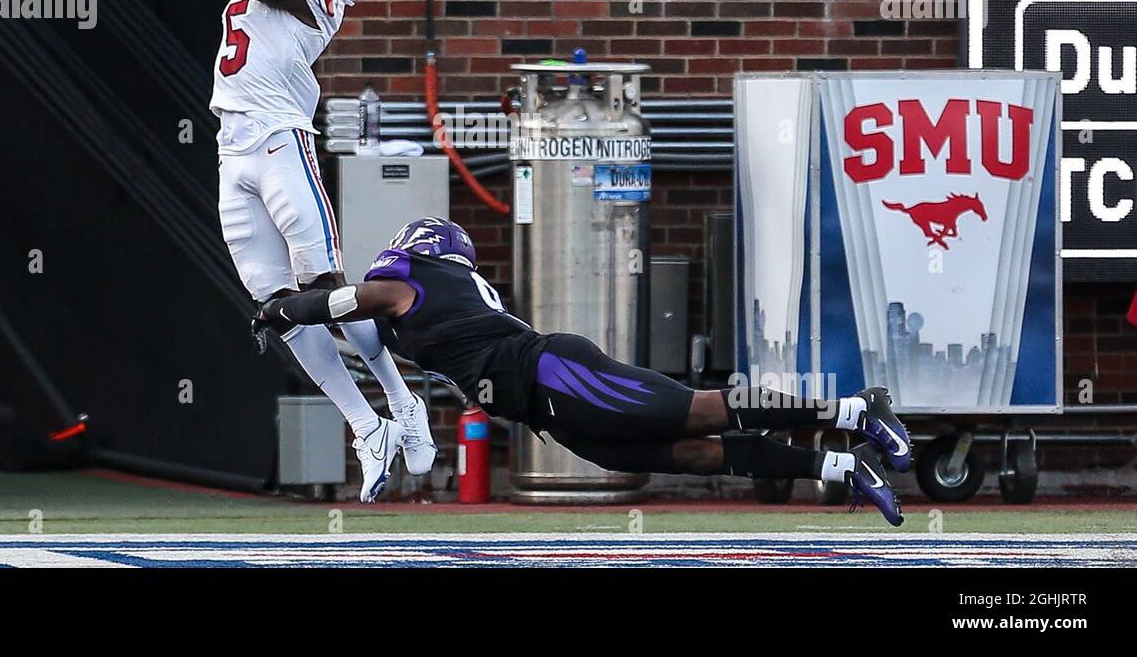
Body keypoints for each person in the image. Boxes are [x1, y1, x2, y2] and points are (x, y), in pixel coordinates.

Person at [251, 218, 910, 525]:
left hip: (553, 374)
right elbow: (357, 318)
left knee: (700, 411)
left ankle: (855, 411)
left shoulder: (409, 281)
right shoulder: (442, 288)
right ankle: (845, 467)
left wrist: (282, 309)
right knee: (690, 456)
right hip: (545, 409)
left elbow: (346, 301)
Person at [168, 0, 437, 503]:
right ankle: (366, 426)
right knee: (276, 304)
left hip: (282, 140)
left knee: (326, 290)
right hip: (236, 148)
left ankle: (401, 402)